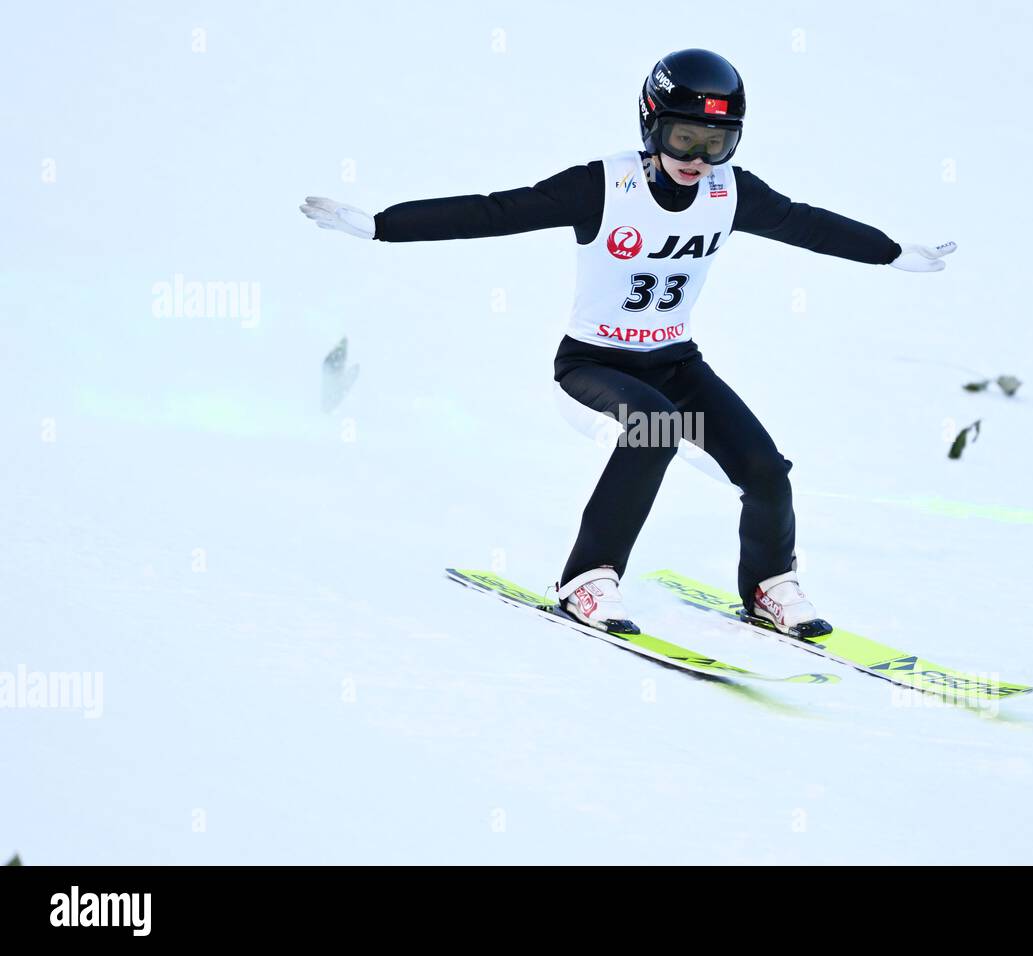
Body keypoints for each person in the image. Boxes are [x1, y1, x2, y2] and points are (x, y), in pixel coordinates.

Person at [301, 48, 955, 639]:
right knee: (655, 430)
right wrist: (382, 227)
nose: (698, 157)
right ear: (651, 124)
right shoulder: (603, 186)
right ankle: (587, 580)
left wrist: (892, 253)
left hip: (675, 363)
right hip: (591, 369)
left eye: (718, 141)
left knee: (765, 468)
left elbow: (806, 224)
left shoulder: (730, 194)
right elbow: (494, 211)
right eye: (684, 136)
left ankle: (768, 585)